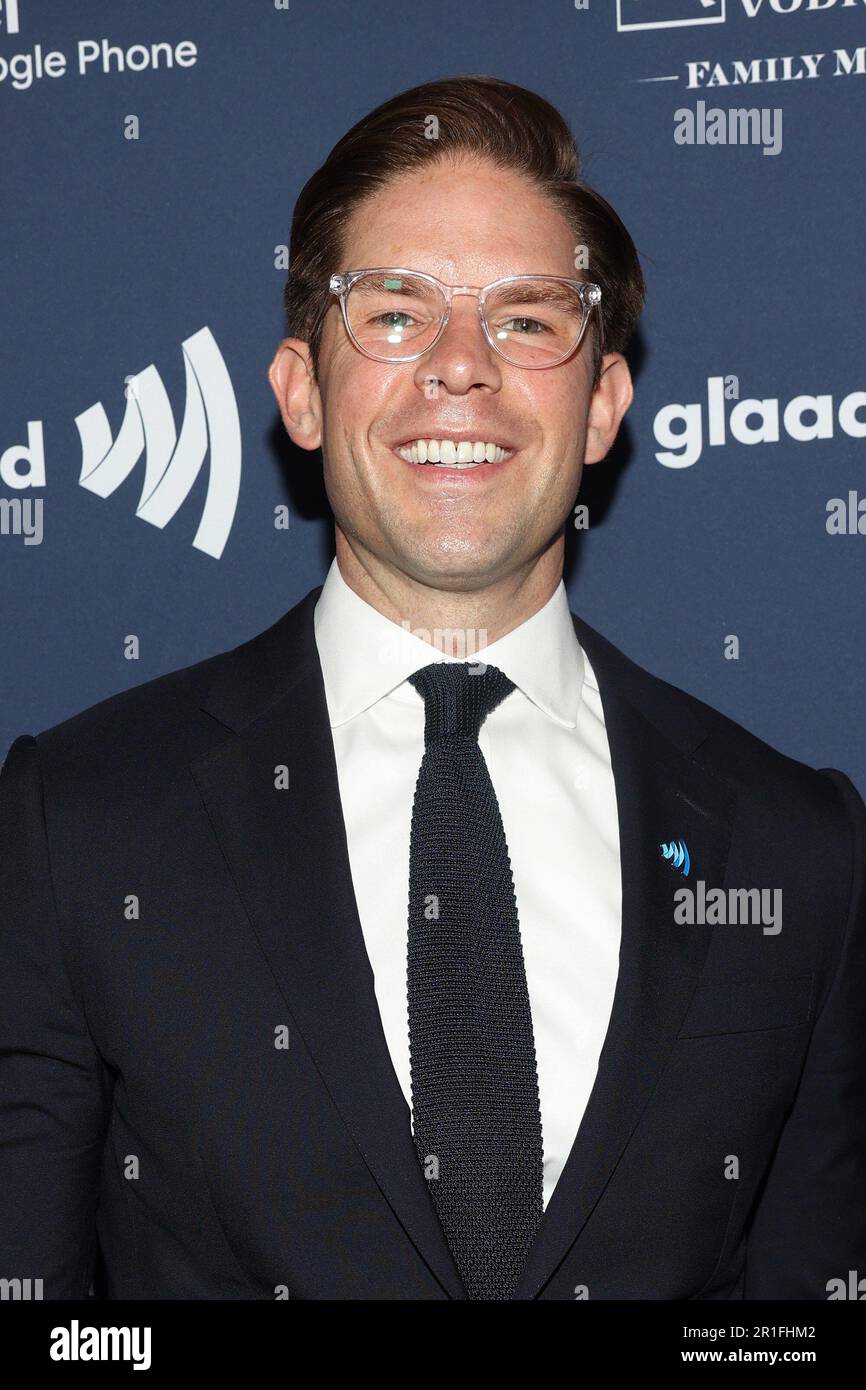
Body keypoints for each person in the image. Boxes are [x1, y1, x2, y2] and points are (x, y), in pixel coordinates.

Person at [1, 75, 864, 1302]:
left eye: (525, 319)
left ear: (604, 403)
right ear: (300, 391)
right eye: (395, 311)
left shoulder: (795, 847)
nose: (460, 366)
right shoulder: (77, 822)